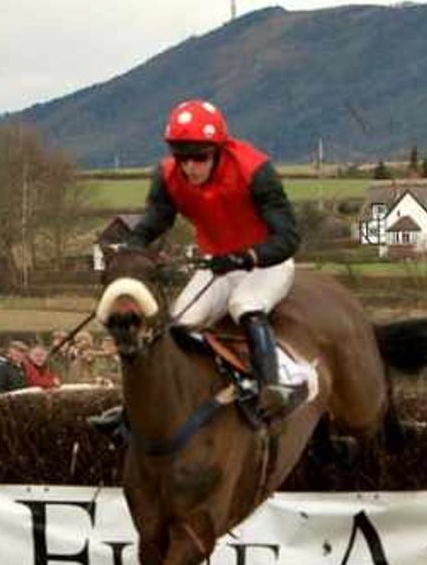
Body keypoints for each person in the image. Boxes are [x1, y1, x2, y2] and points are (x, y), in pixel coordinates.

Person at [125, 99, 301, 416]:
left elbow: (289, 239)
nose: (190, 167)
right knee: (178, 325)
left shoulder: (255, 171)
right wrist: (133, 245)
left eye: (199, 157)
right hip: (219, 265)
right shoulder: (167, 176)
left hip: (266, 264)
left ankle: (272, 387)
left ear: (219, 149)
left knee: (244, 305)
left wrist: (245, 257)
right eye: (182, 158)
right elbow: (157, 219)